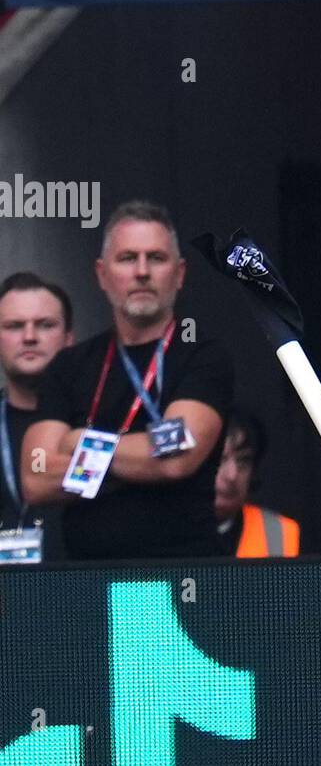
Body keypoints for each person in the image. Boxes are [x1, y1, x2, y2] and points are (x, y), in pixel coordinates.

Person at [22, 200, 233, 559]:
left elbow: (175, 457)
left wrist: (81, 441)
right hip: (86, 578)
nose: (141, 271)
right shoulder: (69, 365)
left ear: (180, 273)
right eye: (127, 258)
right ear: (102, 274)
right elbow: (37, 476)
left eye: (155, 258)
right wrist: (140, 461)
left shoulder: (202, 356)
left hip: (179, 574)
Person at [0, 271, 73, 559]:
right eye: (14, 326)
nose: (29, 337)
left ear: (69, 339)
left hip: (88, 591)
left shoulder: (99, 419)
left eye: (45, 325)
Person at [215, 408, 300, 557]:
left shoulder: (278, 532)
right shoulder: (167, 528)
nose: (232, 475)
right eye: (220, 459)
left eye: (243, 461)